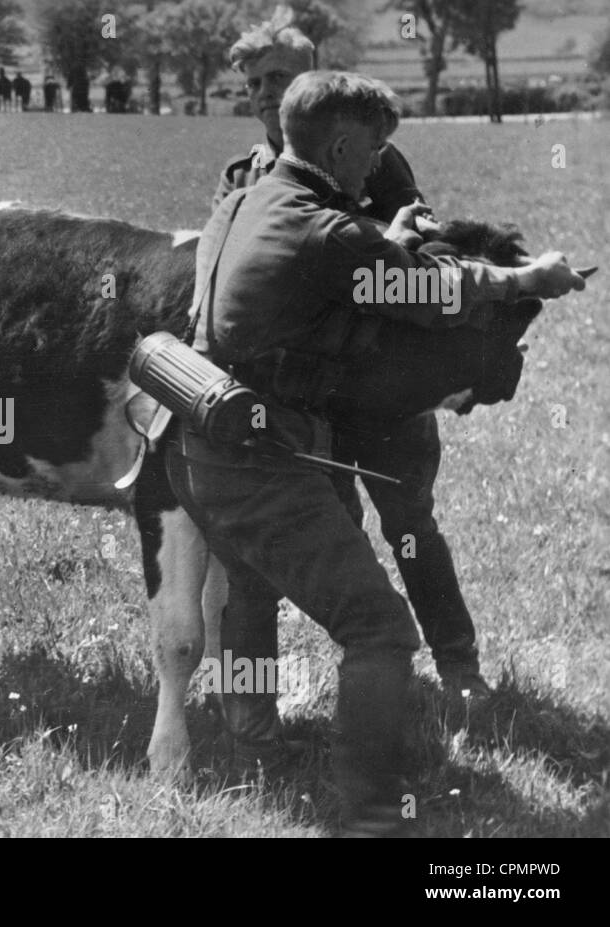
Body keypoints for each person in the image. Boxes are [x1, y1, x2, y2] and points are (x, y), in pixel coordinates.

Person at [171, 70, 584, 835]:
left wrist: (378, 247)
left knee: (254, 589)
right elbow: (431, 290)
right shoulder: (326, 231)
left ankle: (253, 740)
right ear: (338, 144)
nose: (377, 169)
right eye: (372, 151)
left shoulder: (245, 202)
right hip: (261, 460)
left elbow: (330, 275)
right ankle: (370, 820)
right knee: (379, 629)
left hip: (202, 439)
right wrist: (531, 278)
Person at [212, 10, 492, 709]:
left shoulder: (377, 156)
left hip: (380, 392)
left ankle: (460, 671)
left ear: (311, 77)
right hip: (294, 405)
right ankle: (288, 704)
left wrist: (371, 243)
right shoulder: (242, 175)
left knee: (409, 526)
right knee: (278, 555)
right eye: (251, 83)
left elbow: (429, 255)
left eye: (278, 77)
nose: (263, 93)